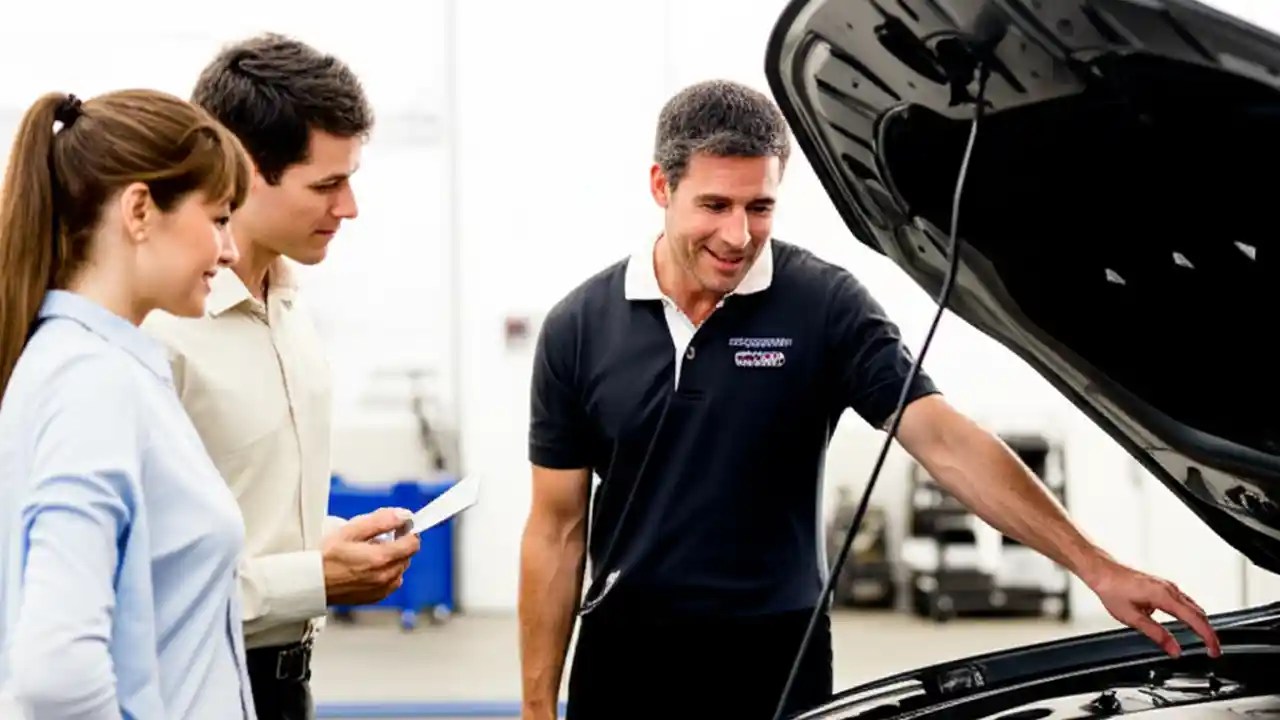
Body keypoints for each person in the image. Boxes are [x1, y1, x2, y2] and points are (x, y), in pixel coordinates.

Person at [517, 79, 1223, 720]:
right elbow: (556, 533)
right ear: (660, 187)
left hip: (776, 656)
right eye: (715, 205)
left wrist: (1094, 565)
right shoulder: (580, 328)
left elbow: (944, 440)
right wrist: (538, 708)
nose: (738, 236)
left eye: (760, 206)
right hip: (627, 657)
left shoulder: (822, 305)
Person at [140, 33, 419, 720]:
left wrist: (326, 544)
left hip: (282, 688)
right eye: (326, 184)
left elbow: (238, 513)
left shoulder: (288, 305)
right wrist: (310, 578)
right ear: (241, 172)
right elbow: (130, 584)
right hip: (182, 690)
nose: (348, 207)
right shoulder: (157, 333)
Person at [0, 89, 256, 718]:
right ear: (139, 209)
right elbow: (56, 673)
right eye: (219, 218)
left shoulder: (89, 365)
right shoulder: (92, 381)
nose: (232, 252)